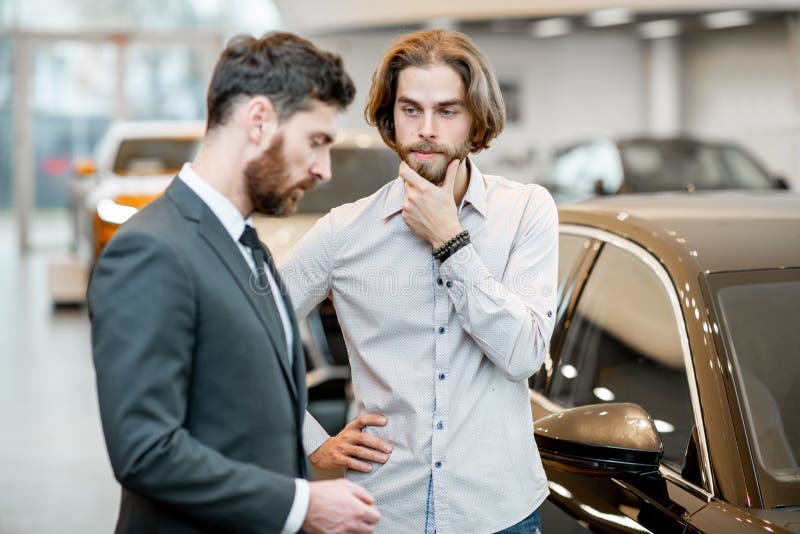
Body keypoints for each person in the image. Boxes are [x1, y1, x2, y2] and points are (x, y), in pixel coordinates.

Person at [89, 32, 381, 534]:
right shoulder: (151, 251)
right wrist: (300, 506)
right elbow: (144, 450)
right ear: (259, 120)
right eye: (315, 142)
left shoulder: (248, 246)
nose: (323, 170)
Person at [281, 29, 558, 533]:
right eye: (411, 110)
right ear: (391, 116)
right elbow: (247, 333)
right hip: (384, 513)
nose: (426, 130)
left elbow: (524, 356)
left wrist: (450, 241)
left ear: (476, 119)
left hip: (498, 514)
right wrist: (312, 441)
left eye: (447, 111)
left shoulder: (526, 211)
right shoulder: (344, 232)